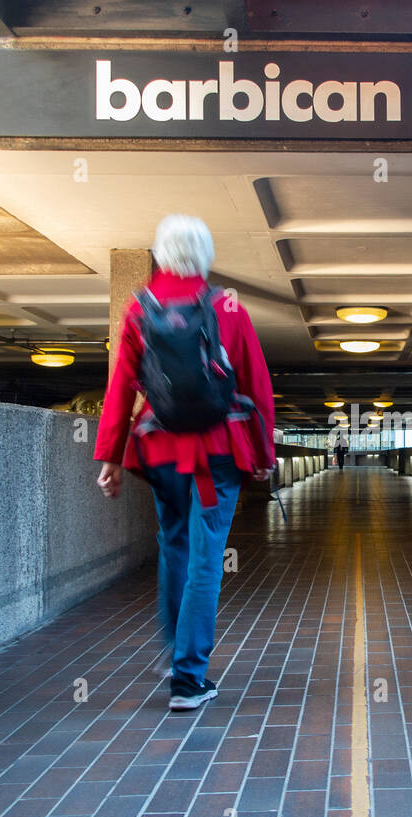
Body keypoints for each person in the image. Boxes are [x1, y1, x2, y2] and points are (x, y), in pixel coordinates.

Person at [95, 215, 275, 711]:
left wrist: (110, 455)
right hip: (218, 450)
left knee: (173, 544)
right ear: (205, 255)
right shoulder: (227, 306)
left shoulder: (139, 309)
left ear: (160, 254)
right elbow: (255, 385)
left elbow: (121, 388)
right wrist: (263, 455)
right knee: (204, 558)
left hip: (160, 449)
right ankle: (189, 680)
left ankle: (176, 655)